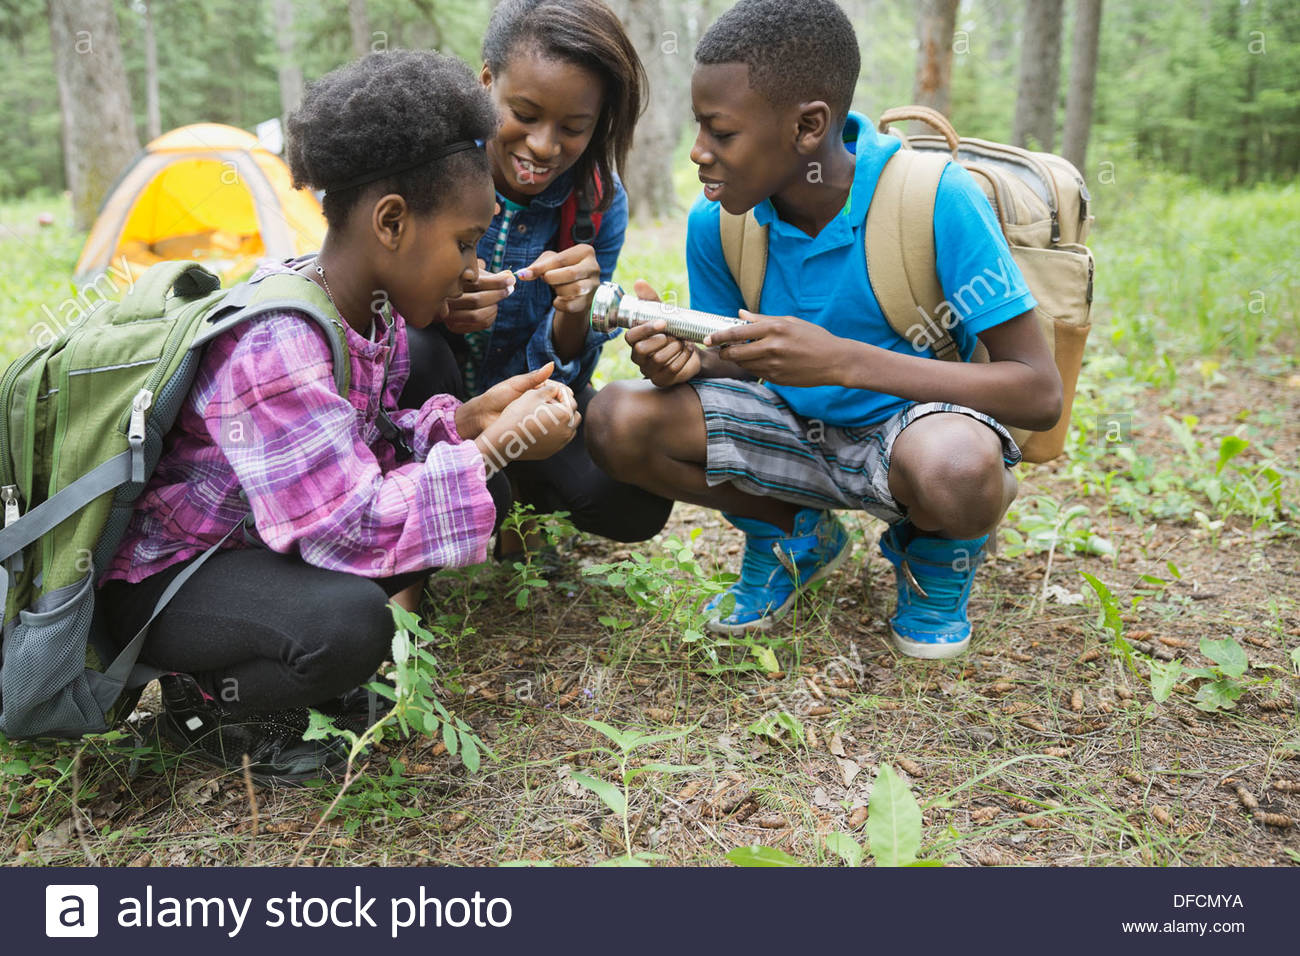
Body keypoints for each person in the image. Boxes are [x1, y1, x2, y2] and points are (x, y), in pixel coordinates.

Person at [95, 50, 580, 783]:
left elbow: (366, 445)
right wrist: (495, 448)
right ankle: (203, 708)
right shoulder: (278, 342)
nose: (474, 269)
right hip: (165, 581)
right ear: (391, 222)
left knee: (483, 492)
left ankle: (272, 673)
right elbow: (347, 525)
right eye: (465, 242)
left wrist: (471, 421)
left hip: (248, 546)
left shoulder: (364, 311)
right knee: (350, 625)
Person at [585, 0, 1062, 659]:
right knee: (616, 419)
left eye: (720, 133)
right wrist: (691, 365)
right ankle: (792, 533)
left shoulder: (937, 200)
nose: (698, 152)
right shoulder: (719, 222)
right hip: (791, 428)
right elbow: (743, 365)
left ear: (808, 127)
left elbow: (1039, 391)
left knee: (957, 468)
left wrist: (845, 362)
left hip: (916, 432)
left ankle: (936, 549)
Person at [402, 0, 673, 552]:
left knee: (630, 504)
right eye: (523, 114)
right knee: (416, 347)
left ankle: (521, 487)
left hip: (529, 398)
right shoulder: (427, 167)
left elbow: (566, 370)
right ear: (486, 84)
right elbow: (362, 304)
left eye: (574, 127)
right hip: (429, 407)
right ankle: (437, 491)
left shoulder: (598, 203)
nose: (545, 146)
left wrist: (574, 311)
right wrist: (433, 302)